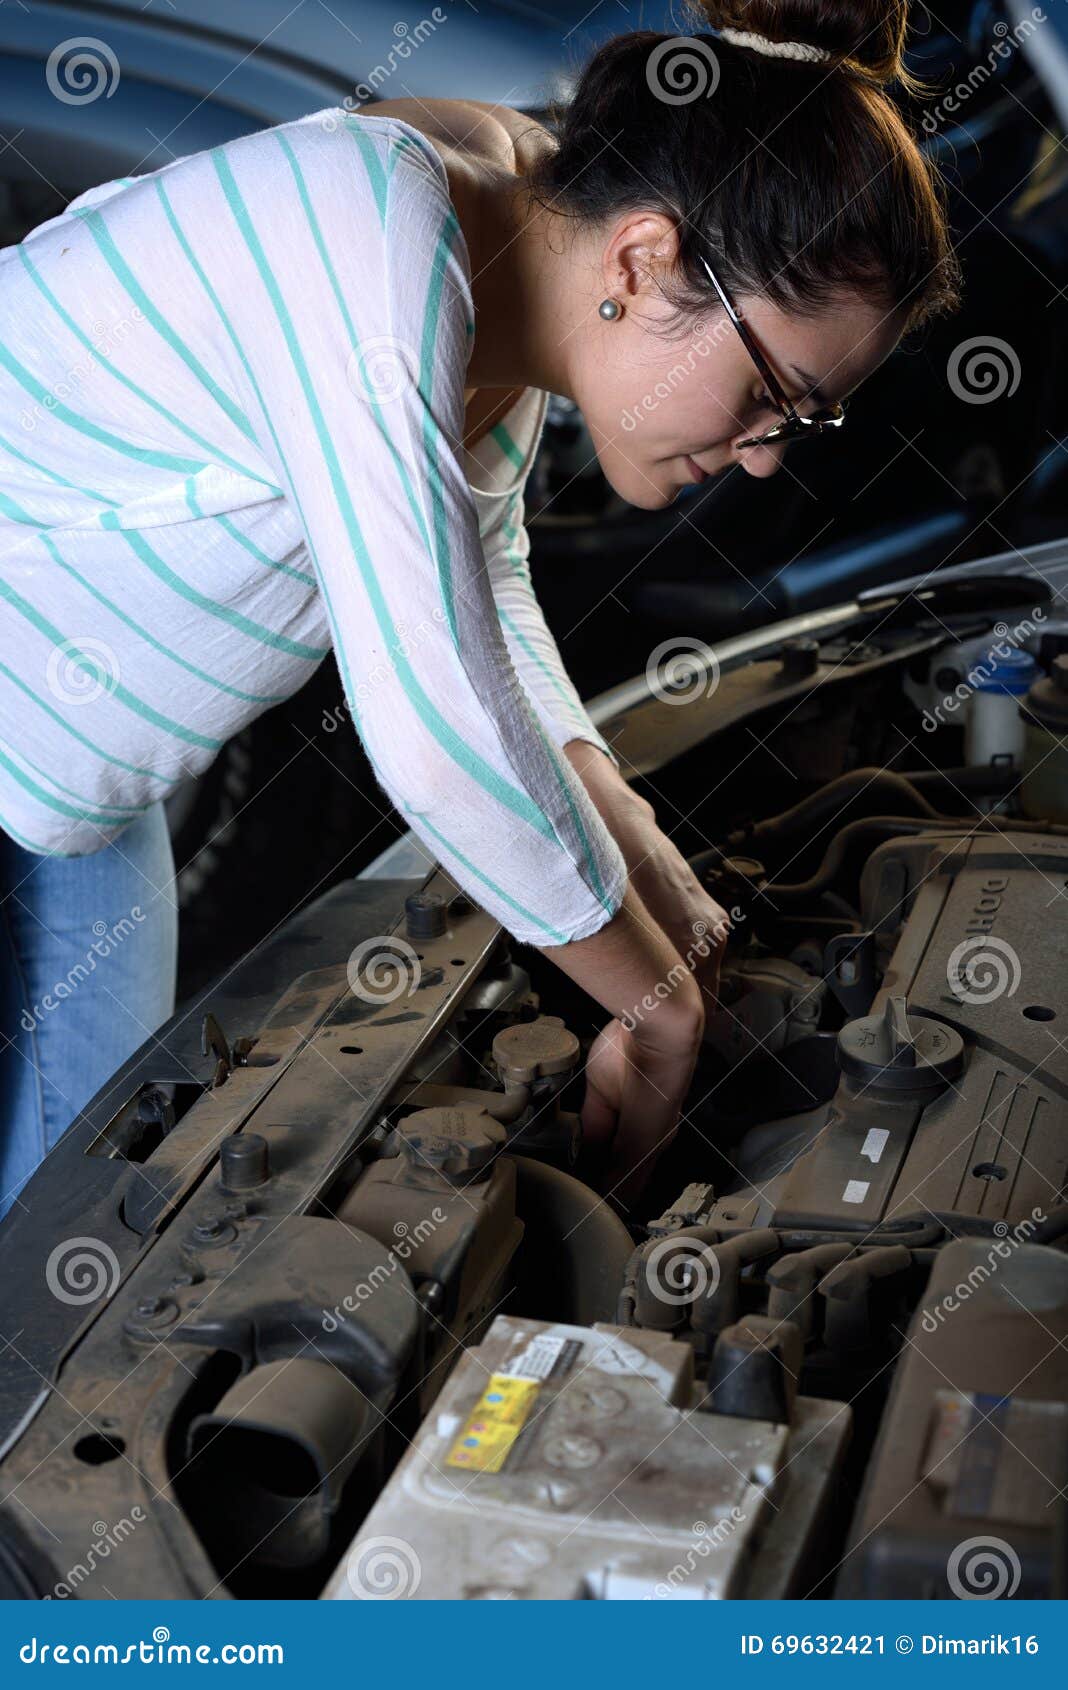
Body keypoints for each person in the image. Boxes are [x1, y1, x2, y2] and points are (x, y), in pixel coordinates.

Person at [0, 0, 958, 1220]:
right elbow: (434, 727)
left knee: (64, 1230)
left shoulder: (510, 216)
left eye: (806, 421)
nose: (768, 454)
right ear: (643, 260)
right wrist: (656, 1008)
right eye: (776, 390)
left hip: (67, 793)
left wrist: (637, 842)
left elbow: (481, 582)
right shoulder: (370, 233)